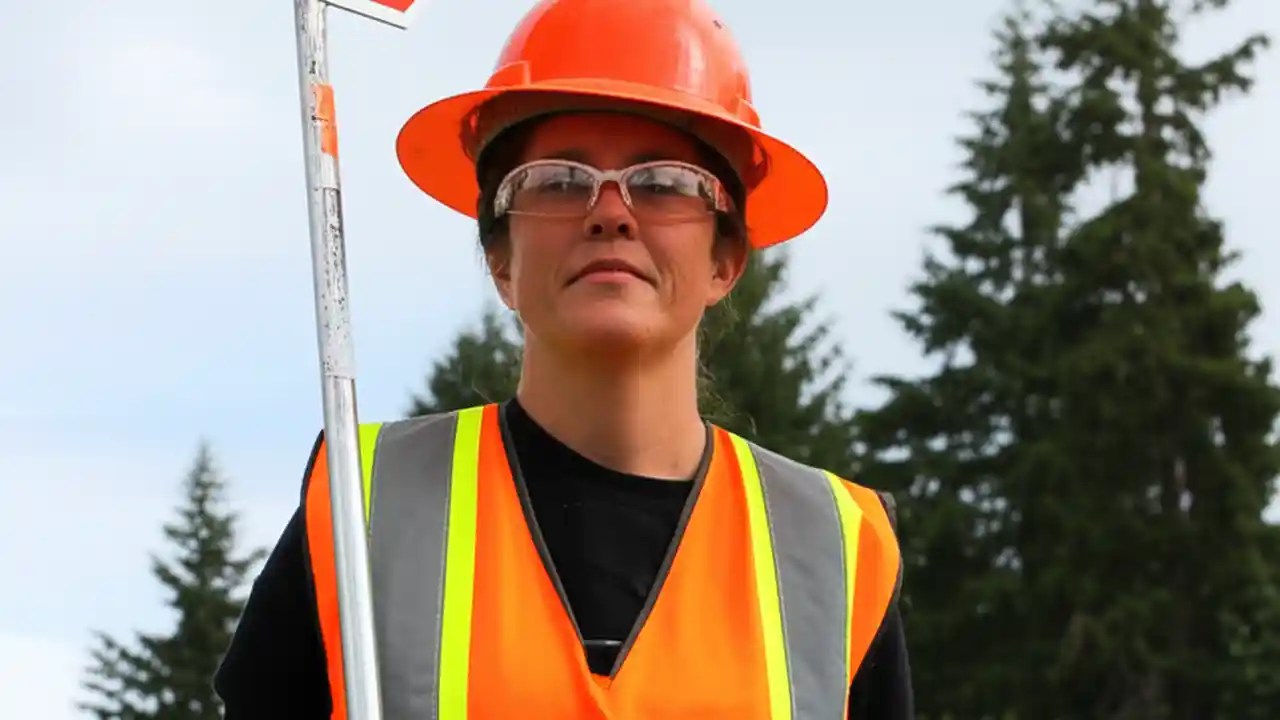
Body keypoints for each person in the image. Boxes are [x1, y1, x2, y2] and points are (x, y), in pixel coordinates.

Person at [213, 0, 914, 717]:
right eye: (558, 181)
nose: (609, 212)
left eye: (664, 183)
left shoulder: (838, 553)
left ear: (726, 258)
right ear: (500, 258)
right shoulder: (361, 510)